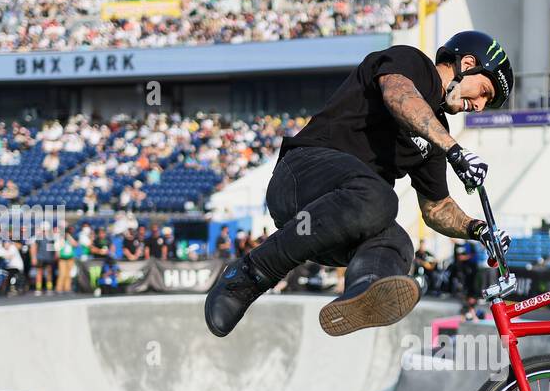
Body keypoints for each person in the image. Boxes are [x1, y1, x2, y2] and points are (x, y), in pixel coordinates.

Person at [205, 30, 514, 338]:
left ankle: (363, 286)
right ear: (467, 63)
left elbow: (437, 208)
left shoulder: (434, 136)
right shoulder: (413, 63)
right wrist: (454, 150)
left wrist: (479, 229)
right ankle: (248, 275)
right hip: (300, 179)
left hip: (332, 223)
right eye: (485, 92)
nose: (480, 106)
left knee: (398, 244)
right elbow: (399, 97)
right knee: (379, 198)